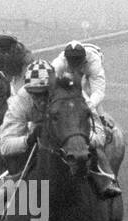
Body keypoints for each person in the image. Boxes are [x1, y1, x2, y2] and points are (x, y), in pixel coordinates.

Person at [0, 57, 121, 198]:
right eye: (35, 94)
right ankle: (11, 185)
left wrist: (81, 139)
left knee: (94, 150)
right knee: (16, 157)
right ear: (28, 91)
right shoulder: (20, 102)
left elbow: (99, 136)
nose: (41, 100)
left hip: (69, 134)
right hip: (40, 137)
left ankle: (106, 180)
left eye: (45, 93)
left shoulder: (72, 93)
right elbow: (5, 145)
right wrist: (28, 140)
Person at [51, 40, 121, 196]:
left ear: (84, 60)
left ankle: (107, 179)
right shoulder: (59, 63)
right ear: (67, 60)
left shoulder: (94, 62)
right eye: (72, 63)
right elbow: (52, 86)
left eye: (78, 63)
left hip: (88, 94)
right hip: (65, 90)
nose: (75, 65)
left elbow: (98, 92)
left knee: (96, 138)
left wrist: (86, 108)